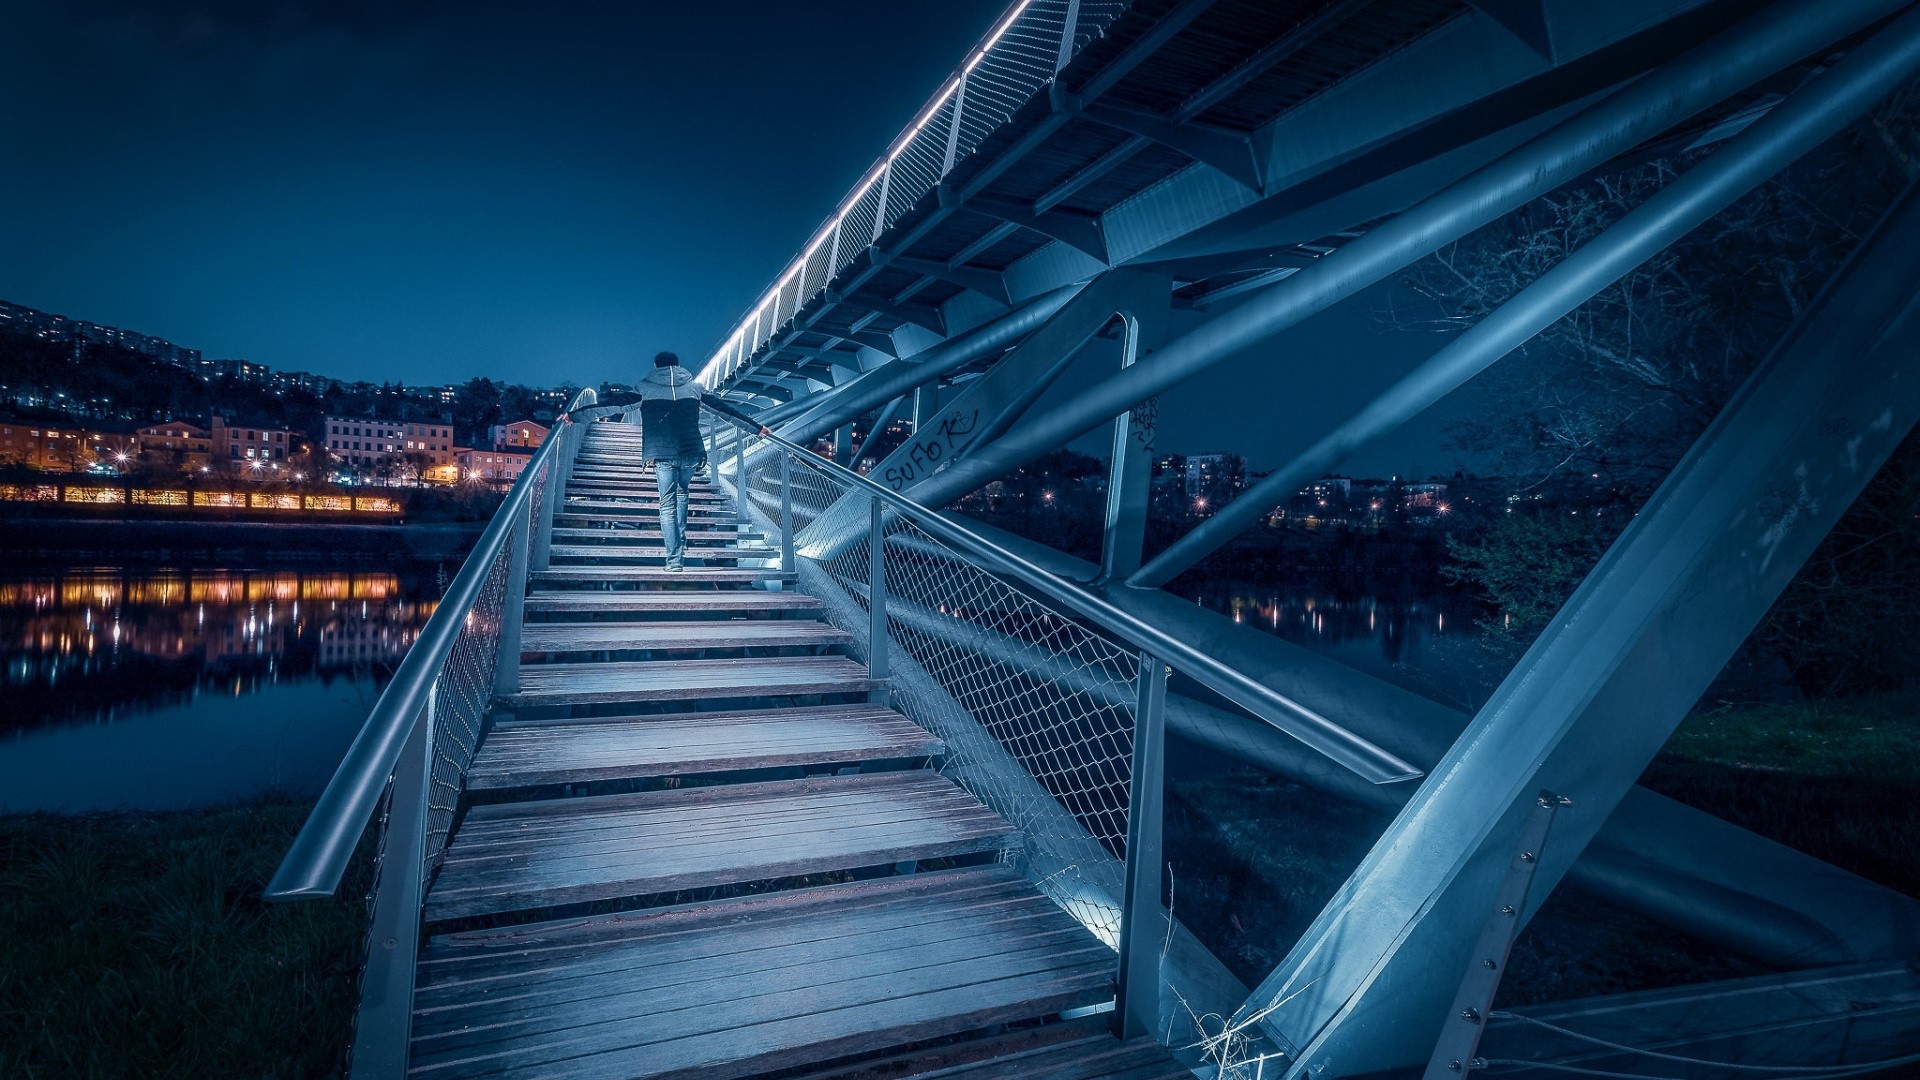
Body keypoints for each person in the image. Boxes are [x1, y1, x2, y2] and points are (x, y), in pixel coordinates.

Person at [632, 351, 764, 570]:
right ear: (678, 366)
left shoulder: (644, 387)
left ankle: (674, 561)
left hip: (663, 453)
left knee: (666, 504)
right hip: (691, 452)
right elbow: (725, 410)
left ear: (656, 366)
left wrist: (575, 416)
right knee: (682, 491)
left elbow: (616, 404)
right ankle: (681, 542)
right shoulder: (694, 387)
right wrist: (757, 428)